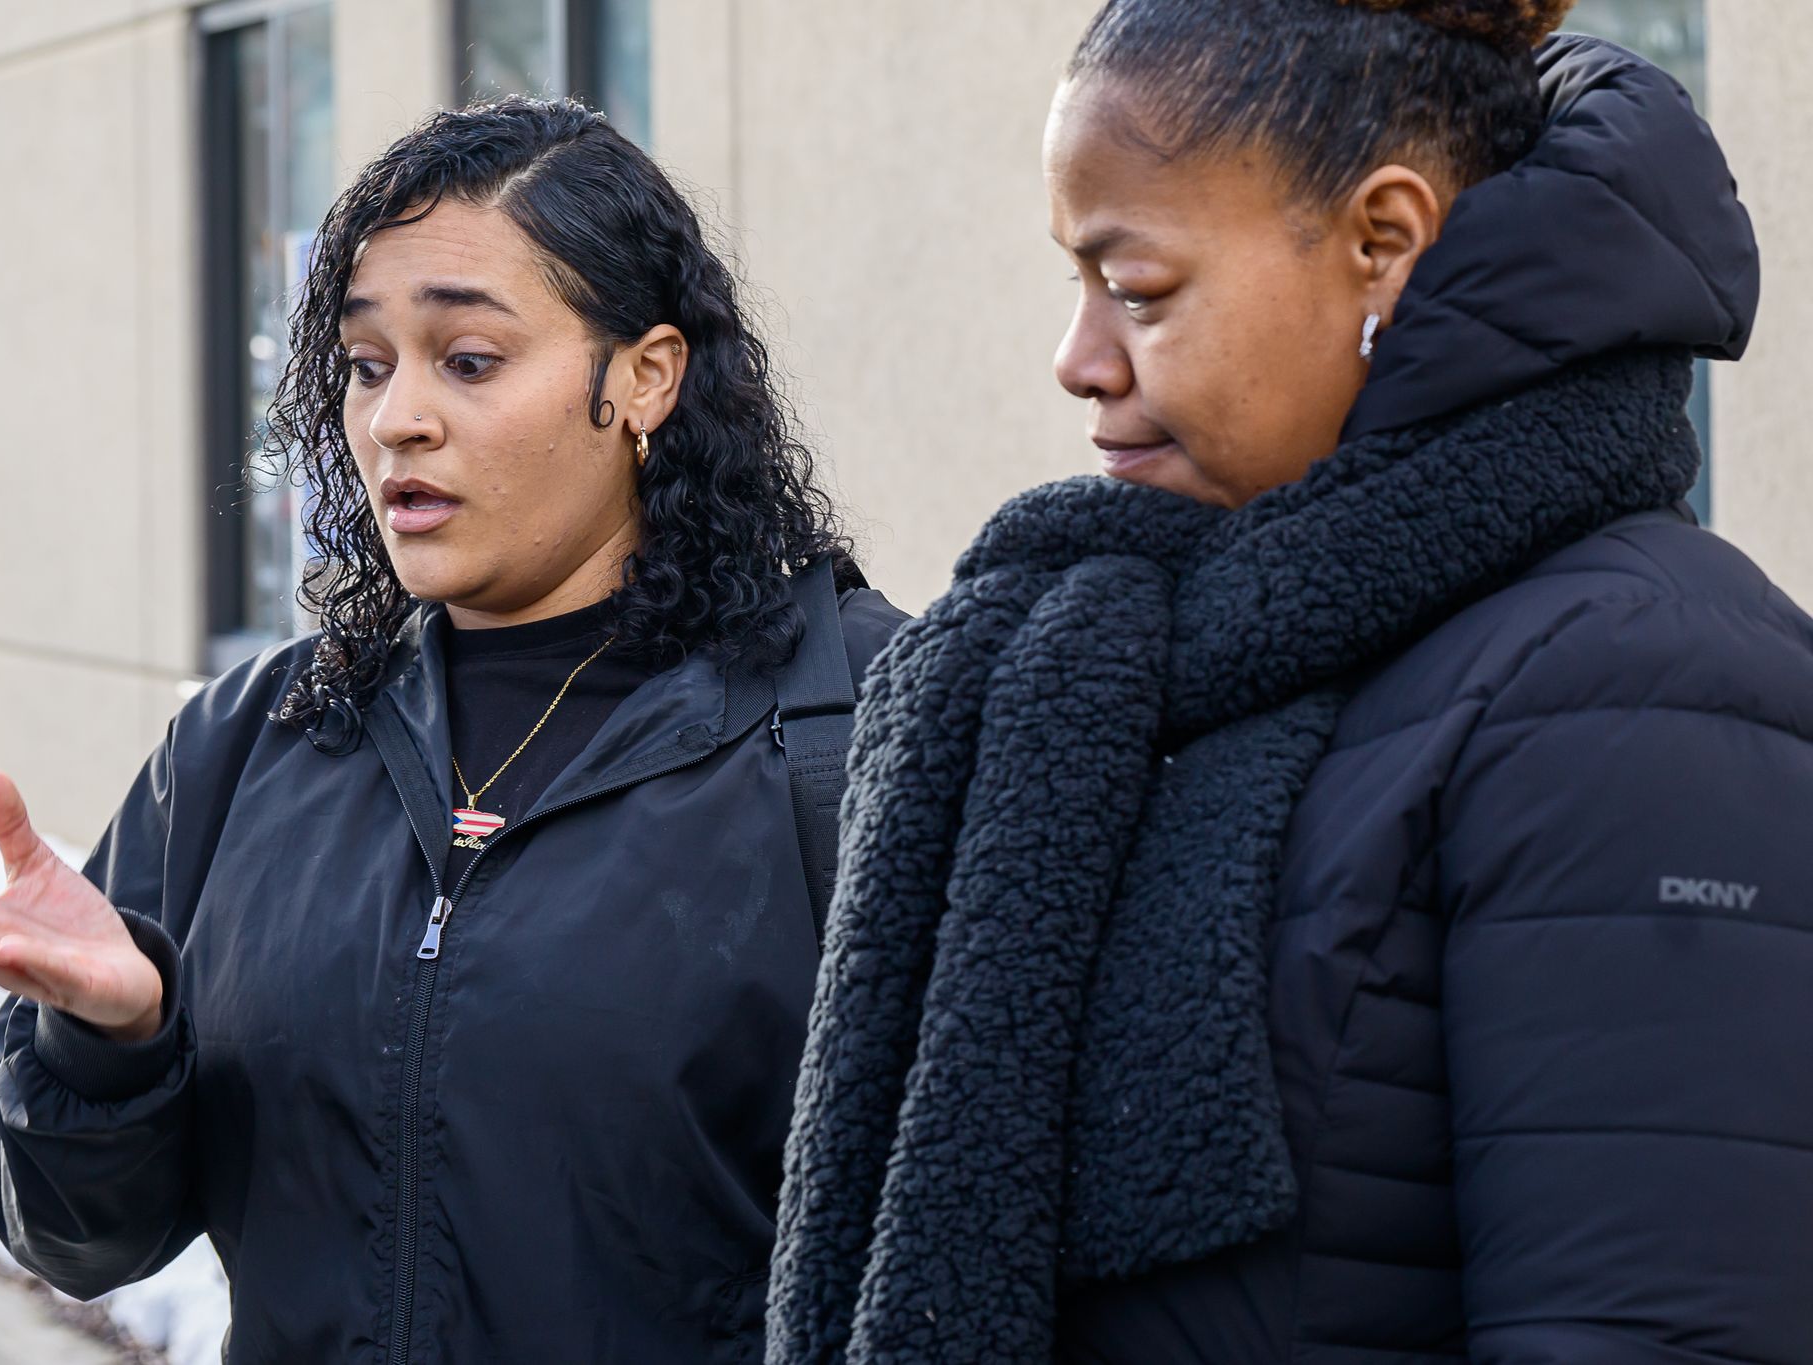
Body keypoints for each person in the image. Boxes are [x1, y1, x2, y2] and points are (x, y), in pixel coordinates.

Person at [768, 3, 1810, 1363]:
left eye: (1138, 289)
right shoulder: (1172, 663)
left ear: (1383, 241)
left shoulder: (1643, 691)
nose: (1078, 360)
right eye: (1077, 284)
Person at [0, 97, 904, 1363]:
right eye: (368, 366)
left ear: (644, 377)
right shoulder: (256, 741)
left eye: (467, 360)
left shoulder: (860, 728)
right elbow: (81, 1241)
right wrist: (109, 1046)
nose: (394, 419)